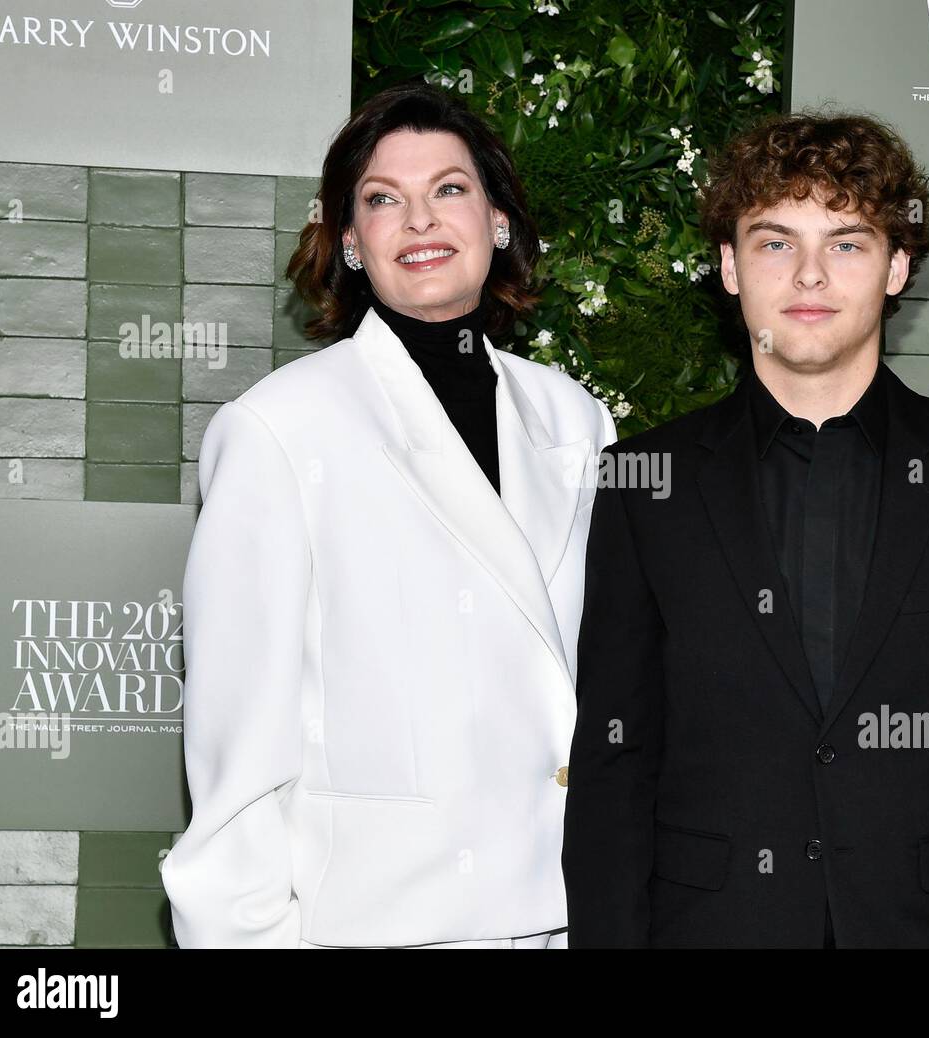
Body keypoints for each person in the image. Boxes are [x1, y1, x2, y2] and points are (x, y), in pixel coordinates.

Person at [561, 109, 929, 948]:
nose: (810, 276)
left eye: (846, 243)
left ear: (897, 266)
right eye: (776, 243)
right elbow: (613, 765)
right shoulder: (644, 482)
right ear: (730, 267)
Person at [161, 81, 616, 948]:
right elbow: (237, 751)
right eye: (382, 200)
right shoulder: (277, 429)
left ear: (500, 223)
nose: (420, 221)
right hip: (378, 925)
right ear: (351, 245)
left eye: (449, 189)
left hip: (565, 911)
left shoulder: (574, 419)